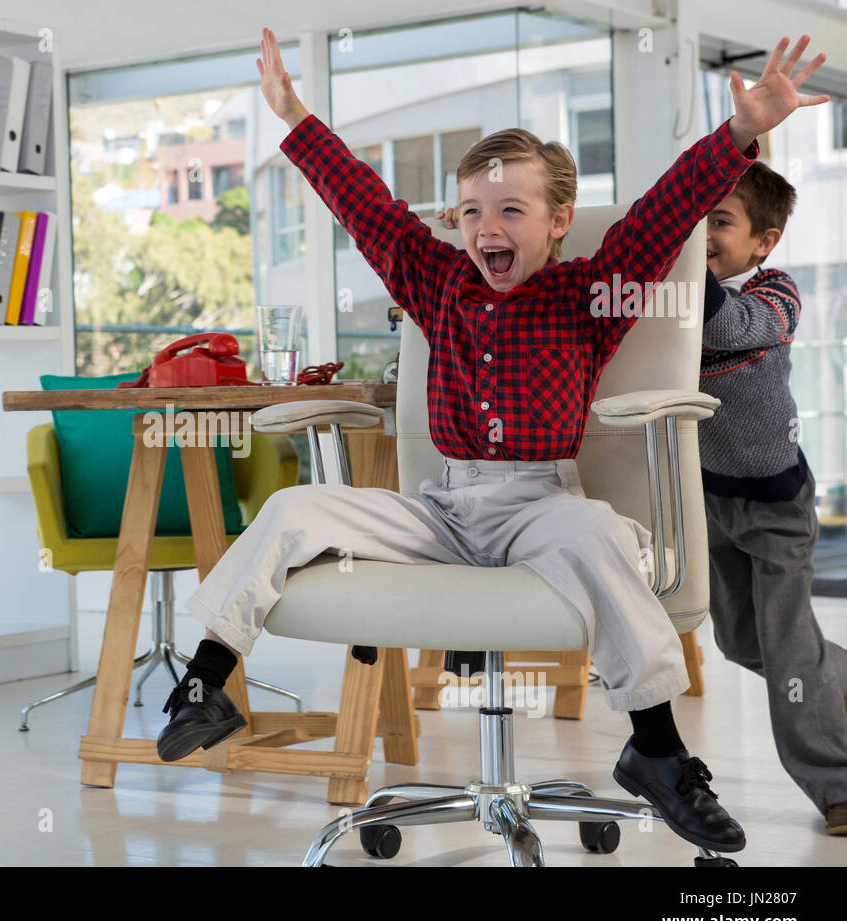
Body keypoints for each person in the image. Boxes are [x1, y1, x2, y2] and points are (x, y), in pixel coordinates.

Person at [156, 28, 829, 854]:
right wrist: (295, 117)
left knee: (602, 532)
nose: (487, 226)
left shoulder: (593, 293)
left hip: (538, 503)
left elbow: (663, 215)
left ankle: (656, 749)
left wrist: (736, 135)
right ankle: (207, 682)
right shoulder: (433, 280)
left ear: (557, 226)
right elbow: (361, 202)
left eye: (512, 209)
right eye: (472, 211)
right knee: (295, 510)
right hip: (441, 505)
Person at [696, 160, 847, 835]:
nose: (702, 234)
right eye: (693, 220)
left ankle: (836, 784)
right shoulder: (673, 296)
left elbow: (727, 329)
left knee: (788, 653)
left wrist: (678, 263)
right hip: (708, 500)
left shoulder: (775, 295)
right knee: (738, 642)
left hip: (776, 503)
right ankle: (828, 682)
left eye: (718, 222)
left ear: (765, 240)